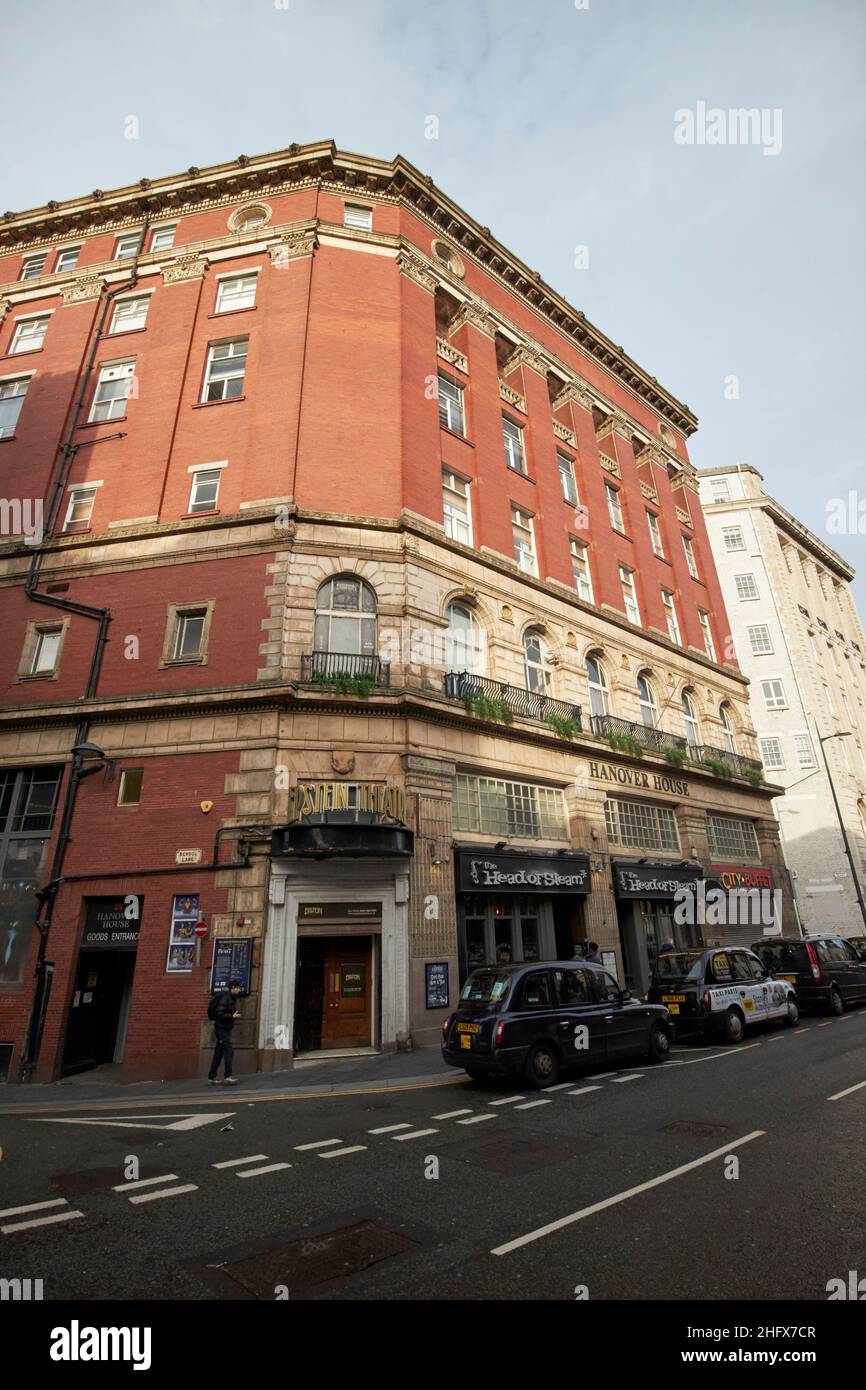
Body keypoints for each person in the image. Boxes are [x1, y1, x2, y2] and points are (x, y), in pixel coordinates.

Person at [208, 979, 242, 1085]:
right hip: (221, 1029)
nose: (239, 990)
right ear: (232, 988)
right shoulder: (226, 998)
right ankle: (227, 1077)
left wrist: (232, 1015)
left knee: (219, 1053)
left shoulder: (231, 998)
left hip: (224, 1029)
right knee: (229, 1051)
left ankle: (211, 1078)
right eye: (237, 988)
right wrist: (232, 1016)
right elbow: (219, 1013)